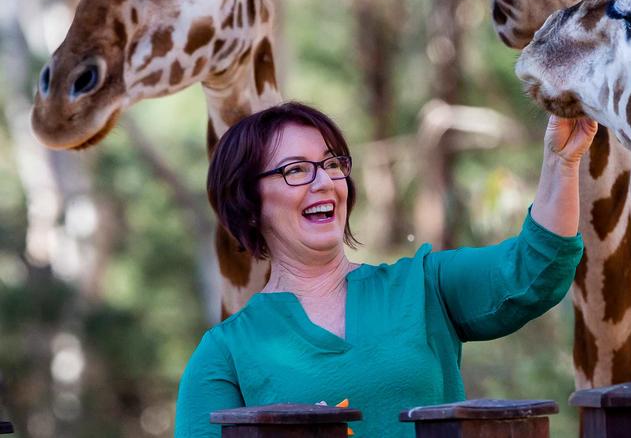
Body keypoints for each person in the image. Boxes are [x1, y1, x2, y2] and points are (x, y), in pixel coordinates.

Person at [175, 102, 596, 437]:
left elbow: (535, 269)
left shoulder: (425, 286)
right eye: (296, 170)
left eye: (332, 163)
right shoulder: (223, 355)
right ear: (248, 204)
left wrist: (562, 162)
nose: (324, 181)